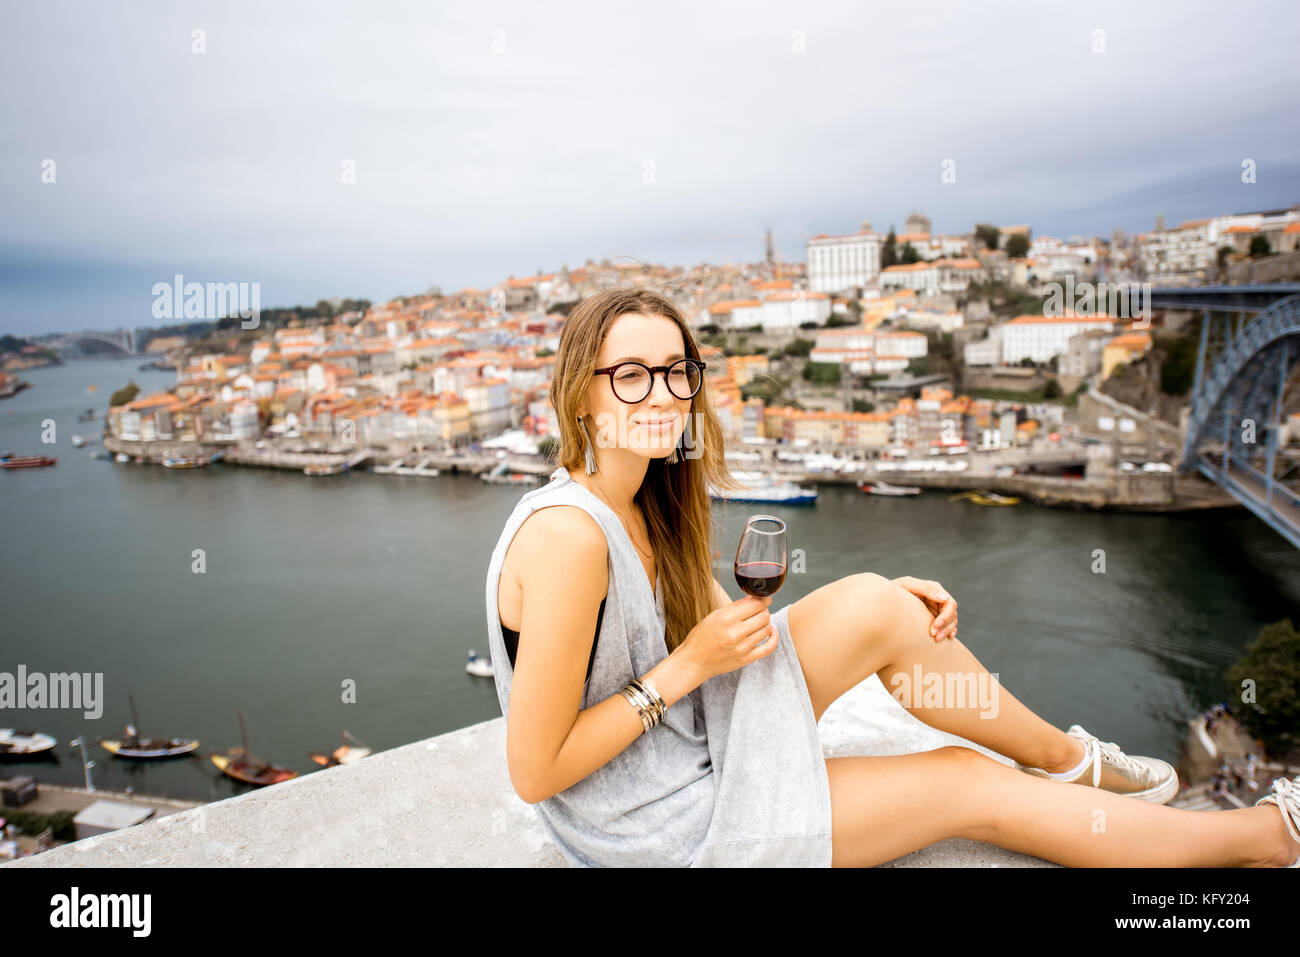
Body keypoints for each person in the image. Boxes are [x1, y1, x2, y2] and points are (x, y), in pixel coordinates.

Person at [483, 287, 1300, 868]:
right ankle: (1258, 840)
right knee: (965, 783)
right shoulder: (569, 539)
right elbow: (536, 772)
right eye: (630, 373)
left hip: (682, 739)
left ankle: (1064, 759)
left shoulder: (649, 500)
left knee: (883, 602)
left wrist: (877, 612)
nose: (661, 393)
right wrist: (687, 666)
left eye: (676, 370)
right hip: (651, 822)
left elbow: (716, 637)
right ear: (580, 398)